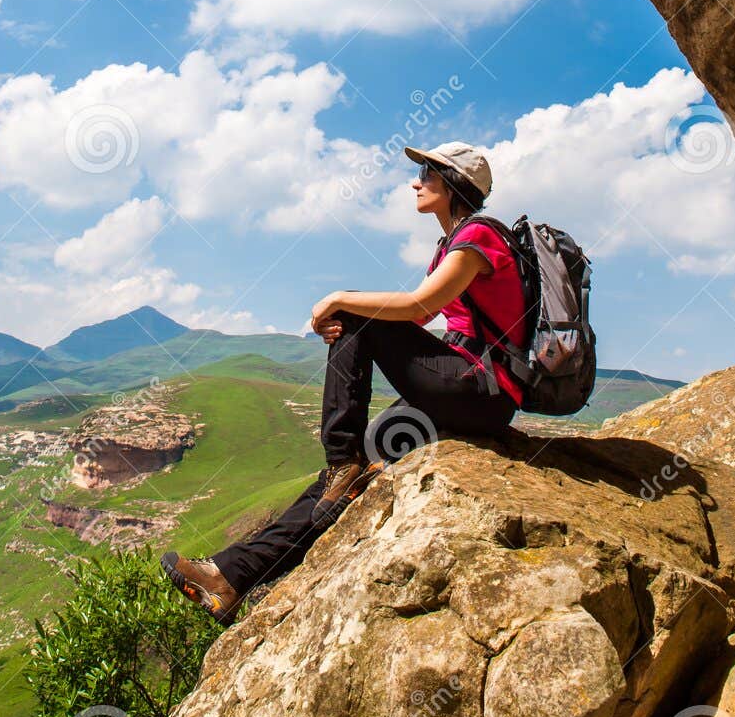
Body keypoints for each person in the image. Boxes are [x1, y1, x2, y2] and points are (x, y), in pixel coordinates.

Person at [161, 139, 527, 627]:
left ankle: (341, 459)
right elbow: (428, 319)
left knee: (358, 317)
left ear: (455, 185)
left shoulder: (479, 236)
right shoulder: (452, 245)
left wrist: (340, 299)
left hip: (483, 393)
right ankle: (230, 576)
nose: (416, 183)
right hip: (462, 392)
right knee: (348, 481)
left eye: (429, 176)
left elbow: (418, 308)